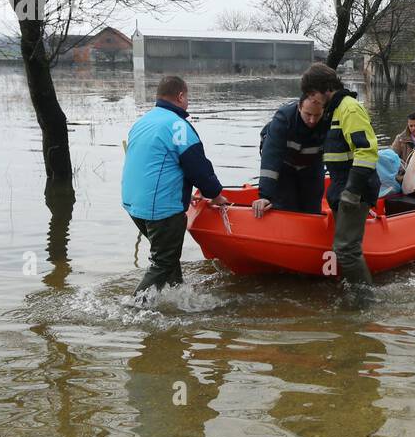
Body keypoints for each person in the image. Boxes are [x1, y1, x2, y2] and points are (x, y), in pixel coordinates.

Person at [121, 75, 228, 296]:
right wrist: (215, 195)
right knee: (163, 262)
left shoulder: (143, 122)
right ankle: (132, 309)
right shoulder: (178, 126)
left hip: (133, 205)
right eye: (187, 97)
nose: (187, 102)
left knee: (168, 257)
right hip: (161, 209)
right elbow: (198, 167)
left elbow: (154, 165)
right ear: (180, 96)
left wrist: (183, 192)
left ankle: (178, 296)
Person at [301, 63, 379, 286]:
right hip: (340, 185)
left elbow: (366, 150)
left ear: (325, 88)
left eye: (313, 94)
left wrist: (353, 190)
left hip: (355, 188)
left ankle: (364, 301)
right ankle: (350, 293)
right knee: (344, 247)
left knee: (346, 248)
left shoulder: (349, 108)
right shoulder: (333, 110)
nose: (313, 100)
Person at [252, 92, 330, 217]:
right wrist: (265, 196)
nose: (312, 120)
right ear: (299, 107)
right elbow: (271, 157)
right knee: (285, 206)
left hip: (312, 165)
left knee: (312, 207)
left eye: (317, 115)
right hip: (285, 165)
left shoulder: (328, 119)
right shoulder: (284, 119)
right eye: (308, 114)